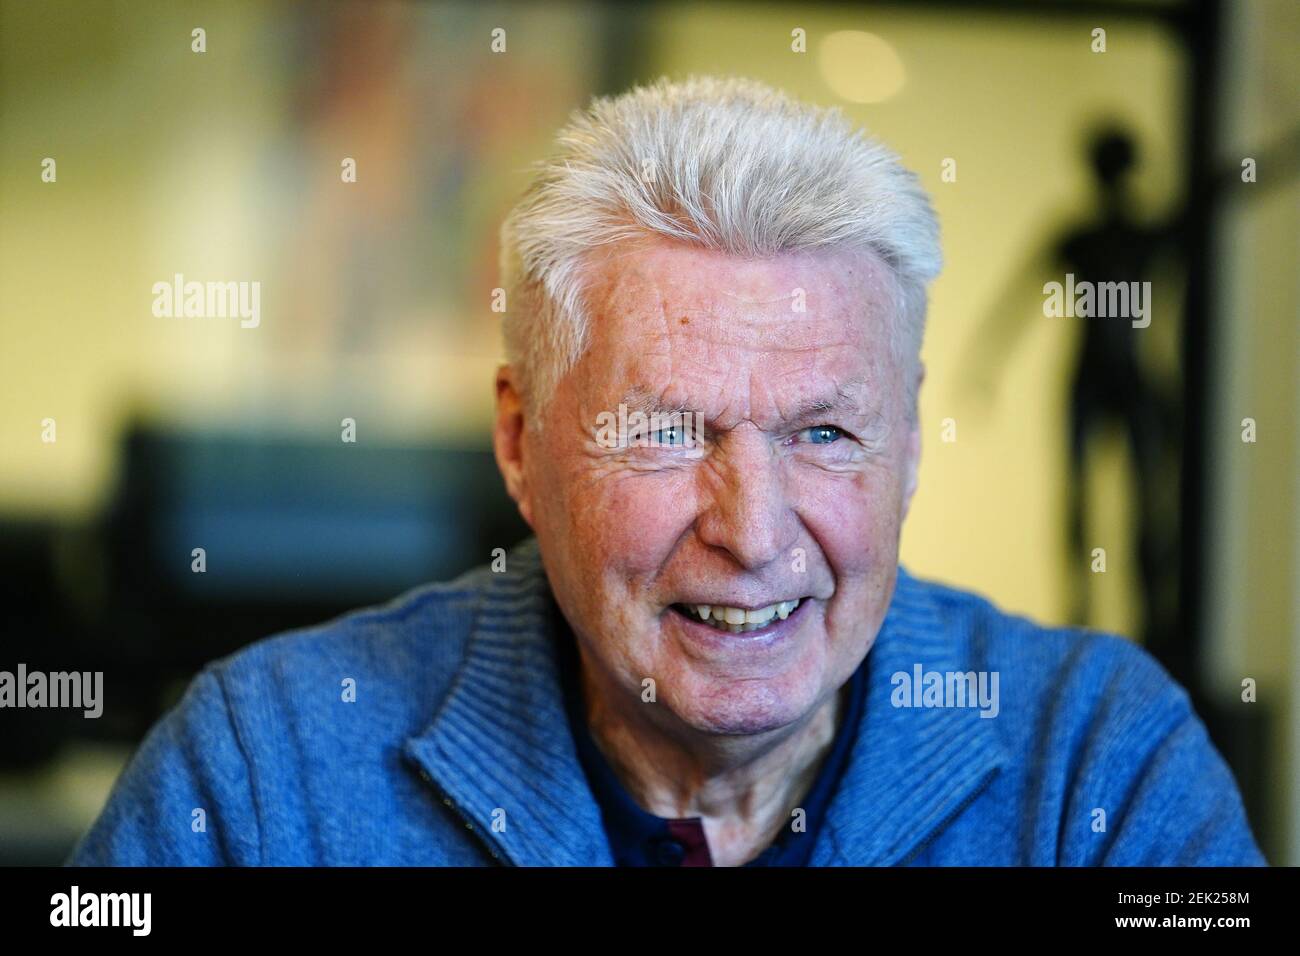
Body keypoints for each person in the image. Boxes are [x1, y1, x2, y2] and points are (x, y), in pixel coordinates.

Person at [69, 76, 1265, 866]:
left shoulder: (1102, 765)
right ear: (521, 443)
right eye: (665, 431)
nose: (753, 534)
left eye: (824, 433)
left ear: (905, 444)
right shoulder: (259, 777)